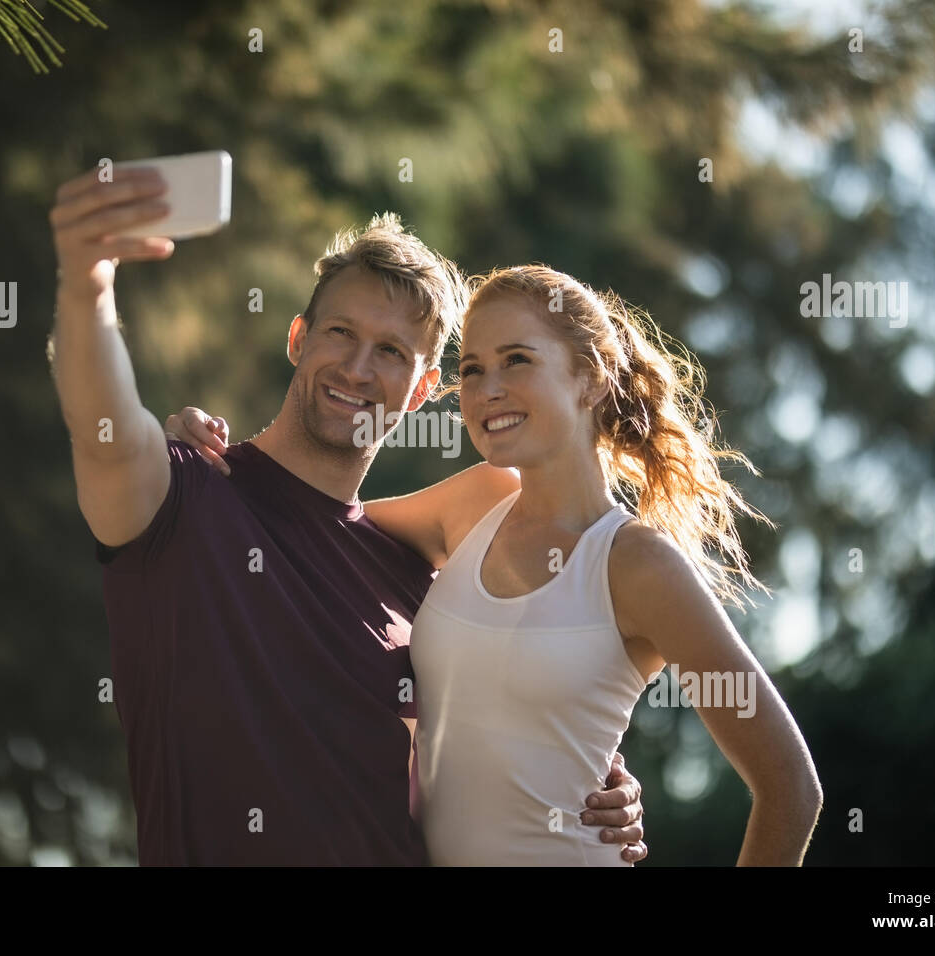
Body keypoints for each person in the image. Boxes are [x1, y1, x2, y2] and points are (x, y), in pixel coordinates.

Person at [47, 164, 646, 865]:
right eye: (340, 333)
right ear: (299, 339)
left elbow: (509, 737)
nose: (359, 368)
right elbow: (103, 429)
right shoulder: (183, 499)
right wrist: (86, 287)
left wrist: (602, 779)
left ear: (422, 389)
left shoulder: (427, 584)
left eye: (391, 351)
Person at [173, 264, 824, 865]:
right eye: (475, 369)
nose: (489, 390)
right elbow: (315, 524)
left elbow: (790, 787)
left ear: (591, 376)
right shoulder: (475, 502)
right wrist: (196, 456)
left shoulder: (638, 565)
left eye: (517, 360)